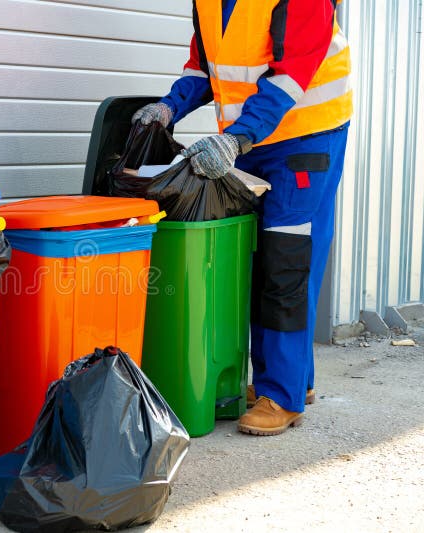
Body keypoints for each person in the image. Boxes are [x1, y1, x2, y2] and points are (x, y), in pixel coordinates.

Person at [133, 0, 352, 435]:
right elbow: (205, 68)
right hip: (255, 139)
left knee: (288, 259)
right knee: (261, 257)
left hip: (304, 135)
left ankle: (283, 396)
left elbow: (291, 77)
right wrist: (169, 107)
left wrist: (236, 138)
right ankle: (292, 381)